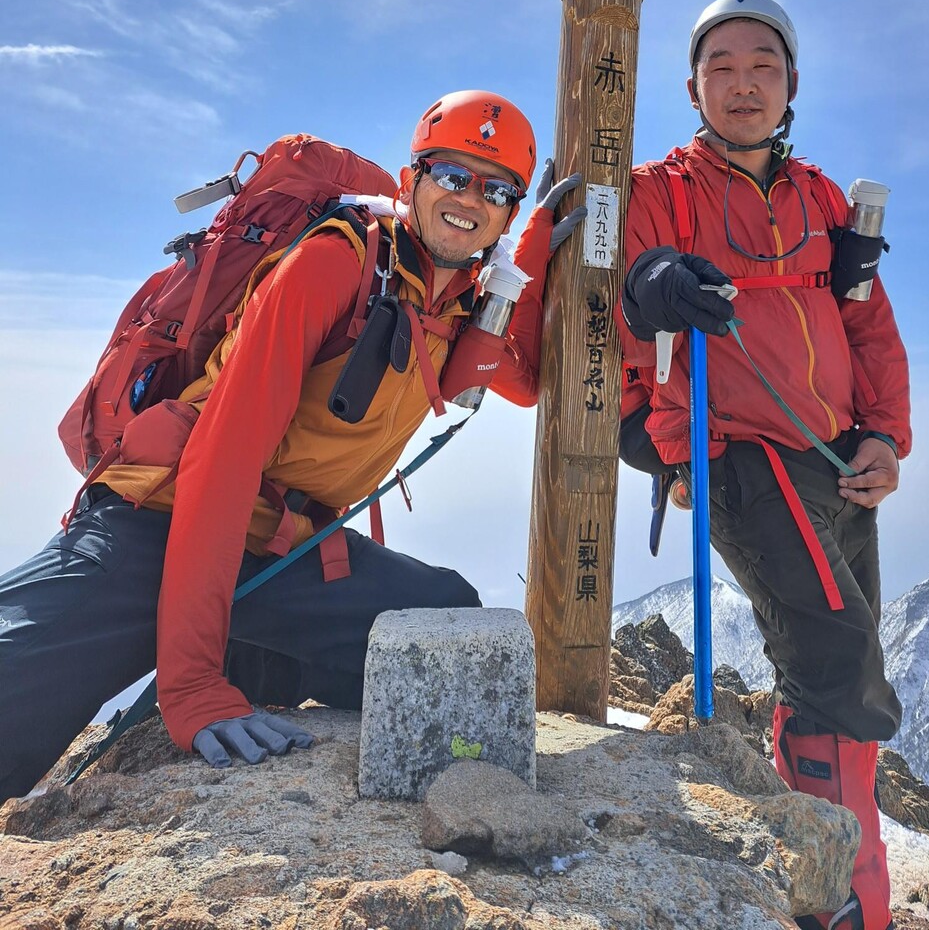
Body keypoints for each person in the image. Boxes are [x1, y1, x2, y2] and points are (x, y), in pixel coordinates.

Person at [0, 90, 581, 801]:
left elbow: (522, 379)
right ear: (412, 180)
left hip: (283, 547)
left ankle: (247, 654)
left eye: (495, 190)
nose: (470, 200)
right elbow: (222, 463)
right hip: (159, 519)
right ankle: (205, 649)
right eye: (454, 176)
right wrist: (191, 685)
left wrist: (535, 255)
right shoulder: (332, 265)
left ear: (509, 212)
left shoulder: (460, 300)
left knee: (450, 632)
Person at [618, 0, 909, 930]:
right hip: (737, 452)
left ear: (790, 85)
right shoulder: (659, 190)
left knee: (843, 652)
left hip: (837, 455)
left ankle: (822, 855)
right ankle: (847, 900)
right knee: (835, 654)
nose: (743, 84)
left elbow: (866, 322)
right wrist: (653, 289)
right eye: (723, 68)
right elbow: (617, 301)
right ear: (693, 88)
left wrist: (885, 434)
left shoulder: (822, 198)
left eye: (763, 67)